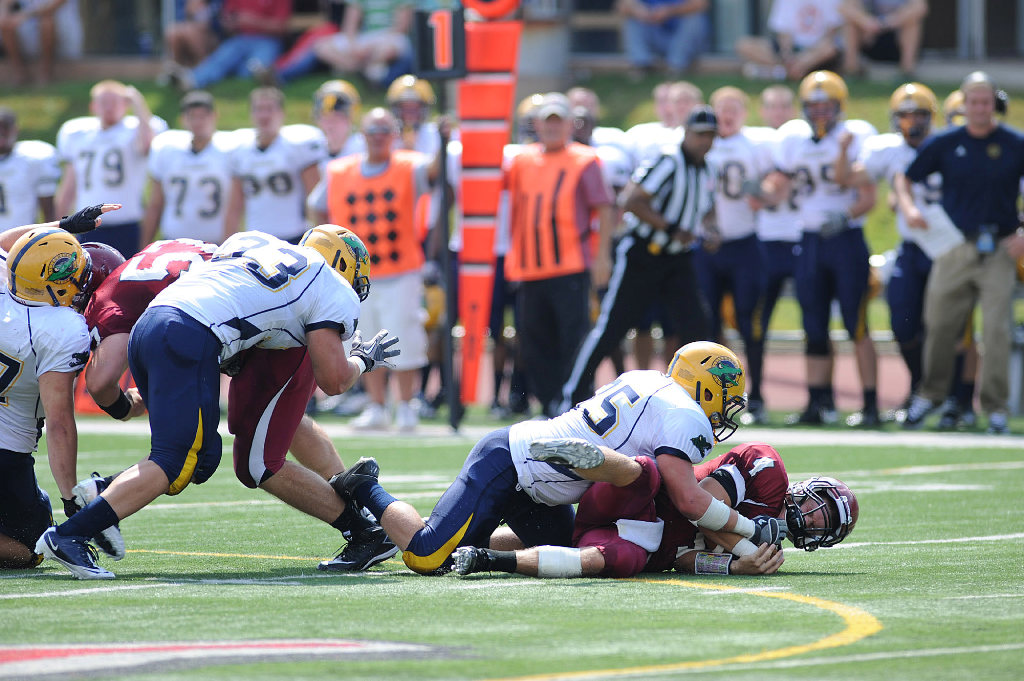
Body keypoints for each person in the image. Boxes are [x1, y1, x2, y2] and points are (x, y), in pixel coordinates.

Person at [36, 228, 400, 579]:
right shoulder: (331, 285)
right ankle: (70, 534)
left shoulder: (258, 242)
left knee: (203, 456)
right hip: (189, 333)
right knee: (175, 460)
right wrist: (363, 361)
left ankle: (101, 496)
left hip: (154, 322)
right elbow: (334, 380)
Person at [331, 341, 781, 577]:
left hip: (542, 487)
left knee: (568, 554)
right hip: (510, 462)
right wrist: (749, 529)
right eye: (726, 396)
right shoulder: (685, 416)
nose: (726, 409)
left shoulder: (646, 380)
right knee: (428, 557)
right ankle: (367, 485)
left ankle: (480, 546)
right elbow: (687, 500)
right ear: (702, 385)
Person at [453, 442, 858, 579]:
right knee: (645, 472)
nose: (814, 518)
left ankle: (479, 555)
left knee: (621, 560)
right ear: (805, 489)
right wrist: (748, 539)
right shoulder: (768, 470)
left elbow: (682, 558)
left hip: (644, 545)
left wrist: (734, 568)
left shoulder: (768, 555)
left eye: (826, 524)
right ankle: (577, 457)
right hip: (642, 499)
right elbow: (699, 504)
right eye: (818, 506)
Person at [559, 106, 717, 412]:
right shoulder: (668, 161)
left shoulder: (708, 168)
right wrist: (671, 228)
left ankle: (700, 402)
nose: (705, 142)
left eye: (710, 136)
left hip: (678, 259)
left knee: (697, 329)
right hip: (644, 254)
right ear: (685, 133)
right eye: (700, 135)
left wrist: (711, 230)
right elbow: (630, 200)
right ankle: (572, 396)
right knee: (611, 327)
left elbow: (707, 207)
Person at [896, 72, 1024, 435]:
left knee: (996, 328)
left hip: (999, 246)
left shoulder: (1014, 143)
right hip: (954, 246)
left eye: (986, 102)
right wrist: (909, 209)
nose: (980, 109)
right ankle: (931, 395)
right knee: (937, 324)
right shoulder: (947, 142)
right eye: (973, 102)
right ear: (964, 104)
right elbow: (905, 178)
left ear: (994, 104)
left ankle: (996, 408)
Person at [0, 205, 119, 569]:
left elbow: (8, 243)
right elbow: (60, 422)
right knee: (29, 547)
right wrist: (71, 498)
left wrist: (64, 226)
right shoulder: (61, 327)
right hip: (6, 449)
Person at [308, 107, 438, 431]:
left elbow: (435, 173)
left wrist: (444, 138)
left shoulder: (408, 165)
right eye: (373, 131)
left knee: (404, 337)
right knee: (364, 339)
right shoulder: (339, 170)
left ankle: (406, 405)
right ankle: (377, 405)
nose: (378, 138)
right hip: (356, 274)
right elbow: (316, 206)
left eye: (384, 131)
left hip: (401, 268)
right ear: (362, 135)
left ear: (393, 135)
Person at [762, 70, 879, 427]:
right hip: (810, 240)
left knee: (855, 322)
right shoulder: (792, 140)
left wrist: (845, 216)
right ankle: (817, 402)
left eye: (827, 106)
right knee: (813, 324)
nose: (821, 113)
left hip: (845, 241)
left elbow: (868, 196)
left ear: (840, 106)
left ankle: (871, 405)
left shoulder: (856, 137)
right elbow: (777, 186)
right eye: (814, 106)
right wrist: (762, 189)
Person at [503, 93, 615, 418]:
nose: (552, 128)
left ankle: (578, 406)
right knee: (533, 343)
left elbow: (604, 207)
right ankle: (550, 403)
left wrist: (602, 257)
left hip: (570, 267)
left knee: (574, 341)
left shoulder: (584, 159)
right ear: (536, 124)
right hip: (529, 268)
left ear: (570, 124)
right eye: (546, 121)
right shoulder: (522, 160)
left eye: (558, 121)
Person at [700, 87, 776, 423]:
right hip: (707, 247)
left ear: (744, 113)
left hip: (745, 244)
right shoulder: (701, 143)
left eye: (734, 108)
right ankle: (716, 396)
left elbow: (775, 185)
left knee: (750, 322)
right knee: (708, 324)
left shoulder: (755, 145)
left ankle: (756, 395)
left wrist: (761, 191)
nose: (727, 114)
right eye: (722, 108)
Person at [56, 81, 167, 259]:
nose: (109, 108)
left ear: (125, 106)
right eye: (104, 103)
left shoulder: (135, 130)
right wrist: (60, 226)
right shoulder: (77, 134)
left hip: (128, 223)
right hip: (87, 224)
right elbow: (69, 184)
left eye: (114, 102)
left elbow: (148, 146)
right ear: (93, 106)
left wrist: (139, 103)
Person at [224, 87, 327, 244]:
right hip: (255, 240)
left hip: (294, 236)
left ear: (281, 113)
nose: (264, 115)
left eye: (270, 109)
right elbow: (234, 208)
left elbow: (315, 199)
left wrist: (320, 241)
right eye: (259, 109)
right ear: (251, 114)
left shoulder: (297, 146)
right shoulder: (241, 151)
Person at [142, 91, 237, 245]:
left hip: (215, 244)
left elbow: (236, 207)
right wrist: (144, 245)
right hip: (174, 242)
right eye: (192, 116)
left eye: (203, 116)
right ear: (183, 119)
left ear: (214, 116)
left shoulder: (230, 150)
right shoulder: (167, 149)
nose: (198, 122)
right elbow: (155, 204)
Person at [167, 0, 292, 91]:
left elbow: (281, 26)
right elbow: (227, 20)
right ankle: (190, 81)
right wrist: (230, 23)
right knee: (220, 59)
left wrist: (252, 21)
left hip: (268, 40)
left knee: (256, 67)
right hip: (240, 38)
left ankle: (269, 80)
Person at [312, 0, 413, 88]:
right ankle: (363, 71)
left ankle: (357, 71)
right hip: (366, 38)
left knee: (388, 49)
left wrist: (369, 48)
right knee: (322, 47)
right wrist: (354, 47)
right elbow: (350, 27)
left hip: (390, 37)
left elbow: (401, 28)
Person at [735, 0, 843, 81]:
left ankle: (780, 72)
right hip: (791, 49)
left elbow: (830, 35)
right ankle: (791, 70)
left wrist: (806, 56)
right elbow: (784, 32)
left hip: (815, 52)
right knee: (745, 45)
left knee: (830, 48)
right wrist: (787, 53)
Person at [616, 0, 710, 80]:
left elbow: (701, 4)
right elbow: (621, 6)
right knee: (633, 21)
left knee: (695, 19)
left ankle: (676, 67)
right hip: (655, 34)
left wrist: (669, 11)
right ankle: (642, 65)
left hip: (682, 40)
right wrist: (638, 11)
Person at [0, 107, 60, 230]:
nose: (1, 133)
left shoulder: (33, 160)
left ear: (15, 129)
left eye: (5, 127)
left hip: (20, 240)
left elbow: (48, 212)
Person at [0, 0, 82, 85]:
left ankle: (45, 73)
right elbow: (6, 2)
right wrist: (3, 12)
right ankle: (19, 74)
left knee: (46, 21)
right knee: (6, 22)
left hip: (63, 36)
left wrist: (25, 15)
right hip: (31, 33)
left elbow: (50, 9)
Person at [839, 0, 928, 78]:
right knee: (850, 23)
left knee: (913, 22)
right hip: (869, 37)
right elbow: (844, 8)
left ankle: (907, 72)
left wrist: (887, 22)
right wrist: (866, 22)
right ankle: (852, 71)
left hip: (896, 39)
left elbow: (920, 7)